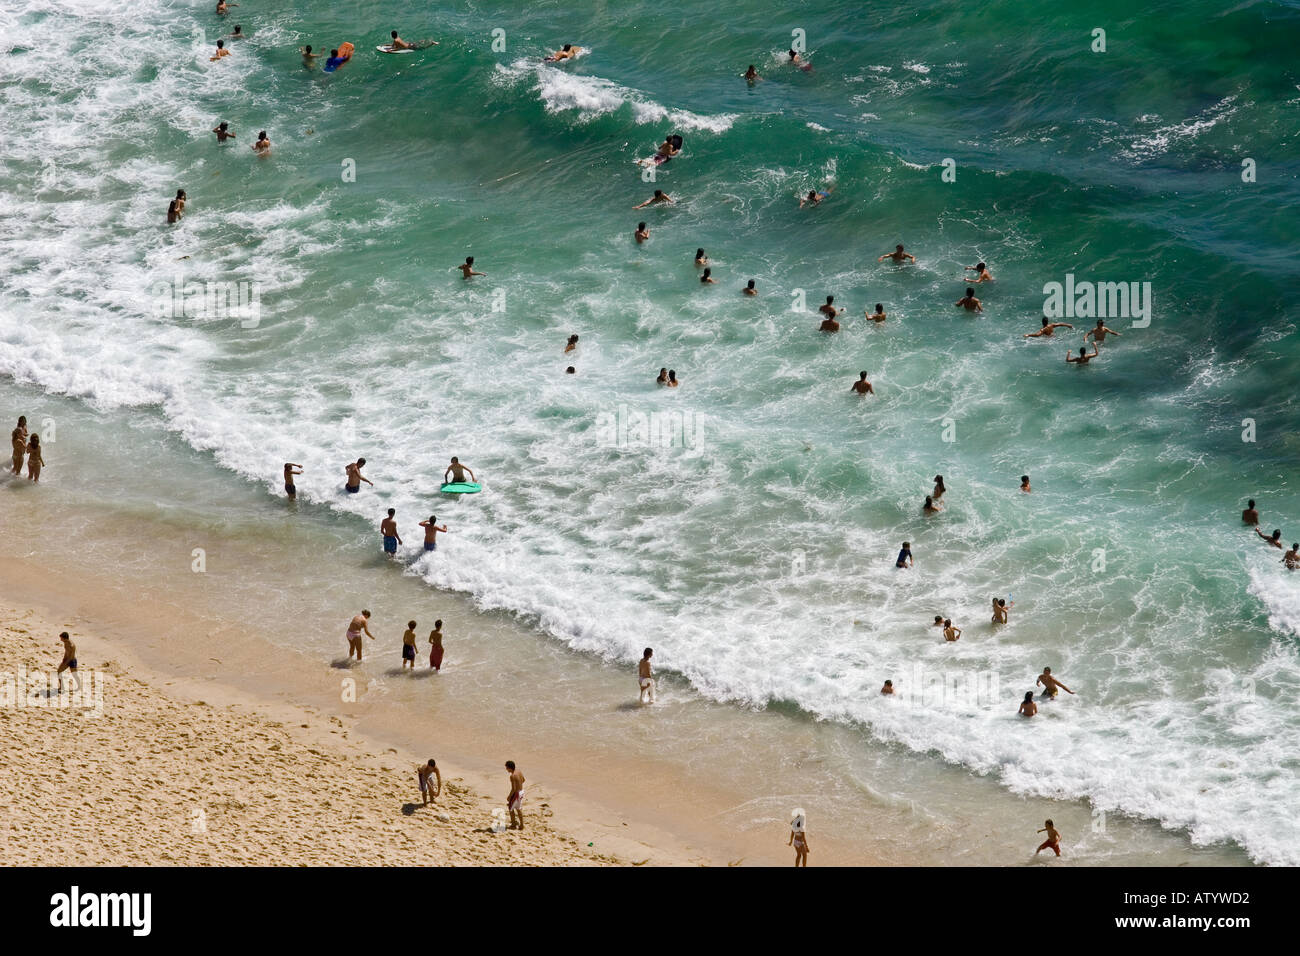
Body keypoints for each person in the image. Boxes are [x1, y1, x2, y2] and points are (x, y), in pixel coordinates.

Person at [505, 761, 526, 830]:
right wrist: (519, 784)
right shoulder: (519, 771)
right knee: (518, 808)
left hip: (516, 793)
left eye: (507, 768)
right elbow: (523, 780)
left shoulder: (512, 776)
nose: (506, 769)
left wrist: (509, 797)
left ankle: (513, 825)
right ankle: (521, 825)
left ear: (510, 768)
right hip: (522, 791)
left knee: (511, 808)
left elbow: (513, 789)